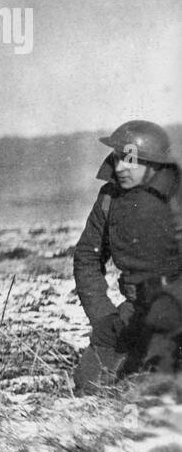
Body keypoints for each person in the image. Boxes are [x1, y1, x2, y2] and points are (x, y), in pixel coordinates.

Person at [72, 120, 182, 392]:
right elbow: (87, 257)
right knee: (89, 384)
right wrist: (103, 317)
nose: (120, 167)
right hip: (135, 310)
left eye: (130, 160)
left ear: (153, 164)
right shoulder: (109, 199)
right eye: (118, 158)